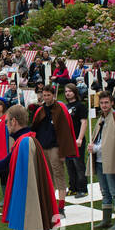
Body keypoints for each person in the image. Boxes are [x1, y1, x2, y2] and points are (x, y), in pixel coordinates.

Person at [30, 85, 78, 215]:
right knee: (47, 177)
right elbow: (34, 127)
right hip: (43, 147)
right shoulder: (40, 110)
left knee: (59, 176)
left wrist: (63, 151)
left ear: (53, 95)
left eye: (48, 95)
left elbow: (65, 131)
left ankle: (61, 207)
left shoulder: (60, 109)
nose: (46, 98)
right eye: (44, 95)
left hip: (55, 148)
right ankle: (50, 205)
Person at [91, 93, 115, 230]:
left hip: (111, 158)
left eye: (106, 102)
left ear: (112, 103)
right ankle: (106, 219)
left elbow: (113, 140)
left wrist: (95, 147)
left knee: (114, 190)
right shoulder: (102, 117)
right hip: (100, 160)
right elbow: (99, 136)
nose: (104, 105)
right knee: (104, 191)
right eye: (102, 103)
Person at [63, 84, 89, 198]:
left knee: (79, 164)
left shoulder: (80, 106)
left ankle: (82, 188)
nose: (67, 93)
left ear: (75, 92)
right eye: (66, 91)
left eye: (70, 91)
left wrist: (80, 138)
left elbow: (84, 122)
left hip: (77, 139)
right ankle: (73, 187)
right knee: (69, 165)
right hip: (67, 140)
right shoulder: (66, 106)